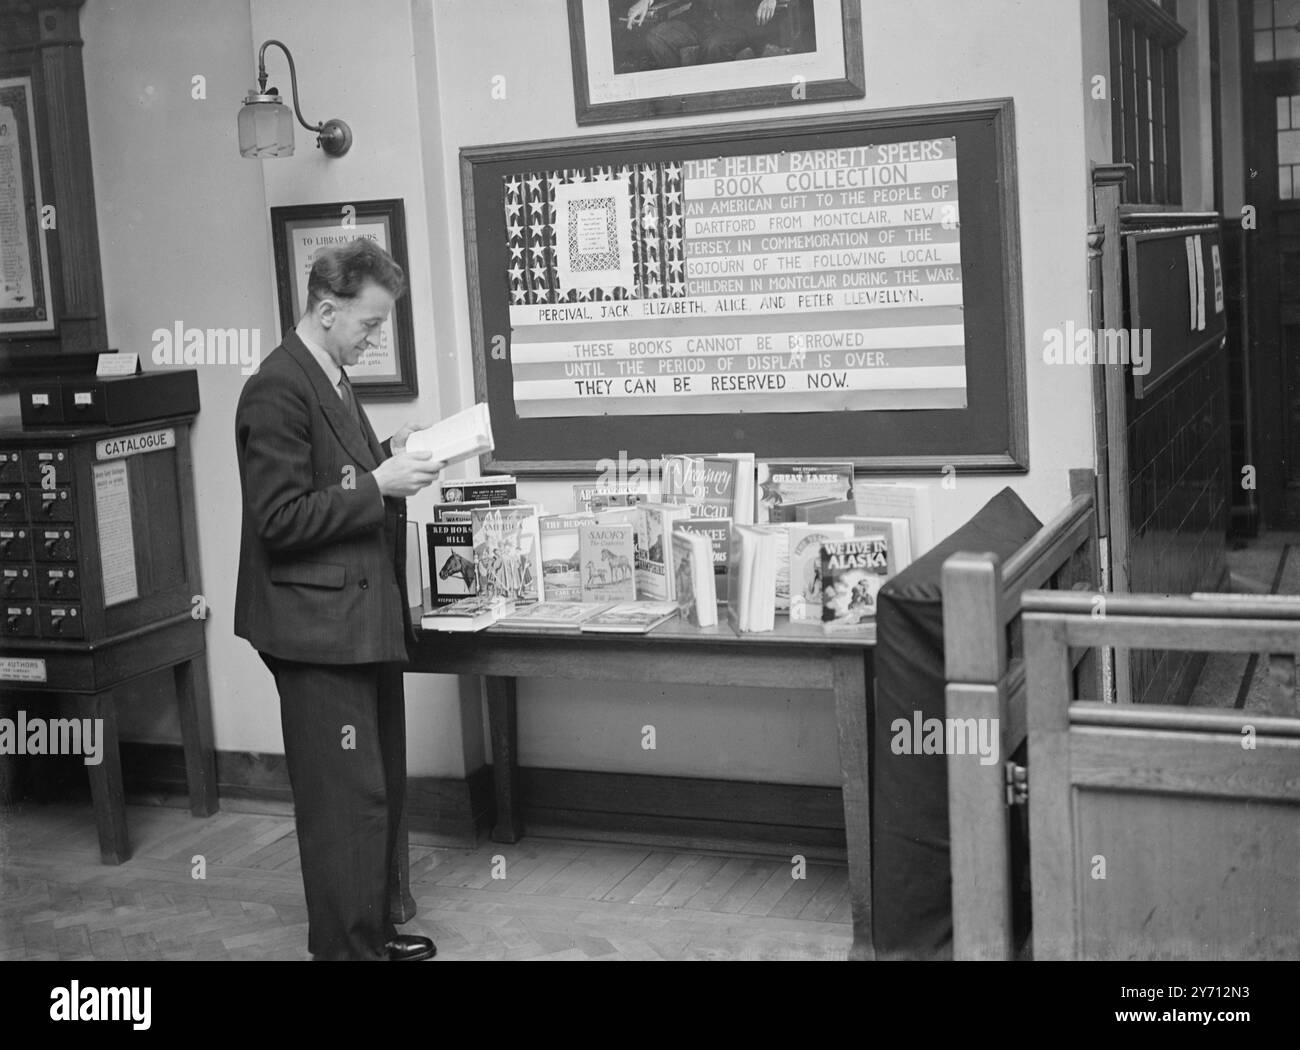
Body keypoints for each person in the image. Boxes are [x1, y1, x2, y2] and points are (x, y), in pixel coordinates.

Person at [233, 238, 443, 961]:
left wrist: (385, 453)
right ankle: (346, 951)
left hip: (355, 619)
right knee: (341, 803)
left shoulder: (328, 374)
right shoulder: (276, 386)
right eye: (368, 323)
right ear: (326, 310)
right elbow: (280, 518)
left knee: (370, 794)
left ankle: (371, 935)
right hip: (313, 630)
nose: (375, 337)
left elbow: (334, 477)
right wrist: (376, 485)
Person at [627, 0, 785, 68]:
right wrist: (645, 2)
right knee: (657, 37)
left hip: (738, 22)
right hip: (700, 20)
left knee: (713, 46)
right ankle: (681, 93)